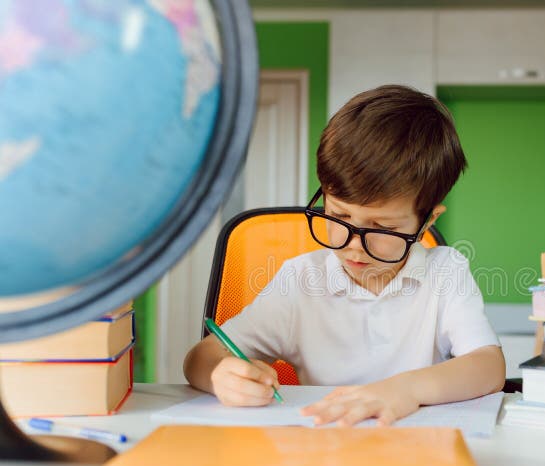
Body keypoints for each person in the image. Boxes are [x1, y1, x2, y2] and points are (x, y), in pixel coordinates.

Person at [184, 85, 505, 426]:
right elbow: (200, 357)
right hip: (325, 443)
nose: (353, 244)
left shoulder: (446, 271)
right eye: (339, 216)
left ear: (427, 220)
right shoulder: (300, 280)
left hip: (414, 447)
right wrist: (222, 375)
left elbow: (488, 366)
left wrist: (405, 390)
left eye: (382, 227)